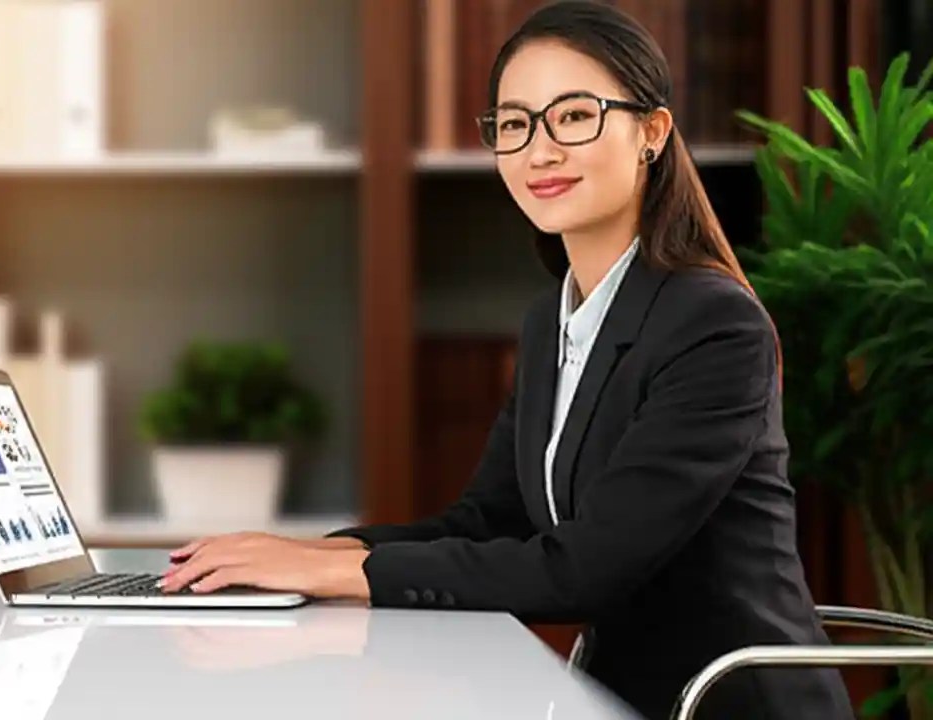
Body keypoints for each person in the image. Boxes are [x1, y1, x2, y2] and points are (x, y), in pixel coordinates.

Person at [159, 2, 853, 718]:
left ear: (652, 132)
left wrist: (335, 572)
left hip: (726, 705)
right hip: (606, 696)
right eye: (515, 124)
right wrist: (308, 557)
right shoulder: (552, 323)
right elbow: (489, 523)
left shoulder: (714, 325)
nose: (539, 151)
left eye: (575, 116)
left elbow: (583, 569)